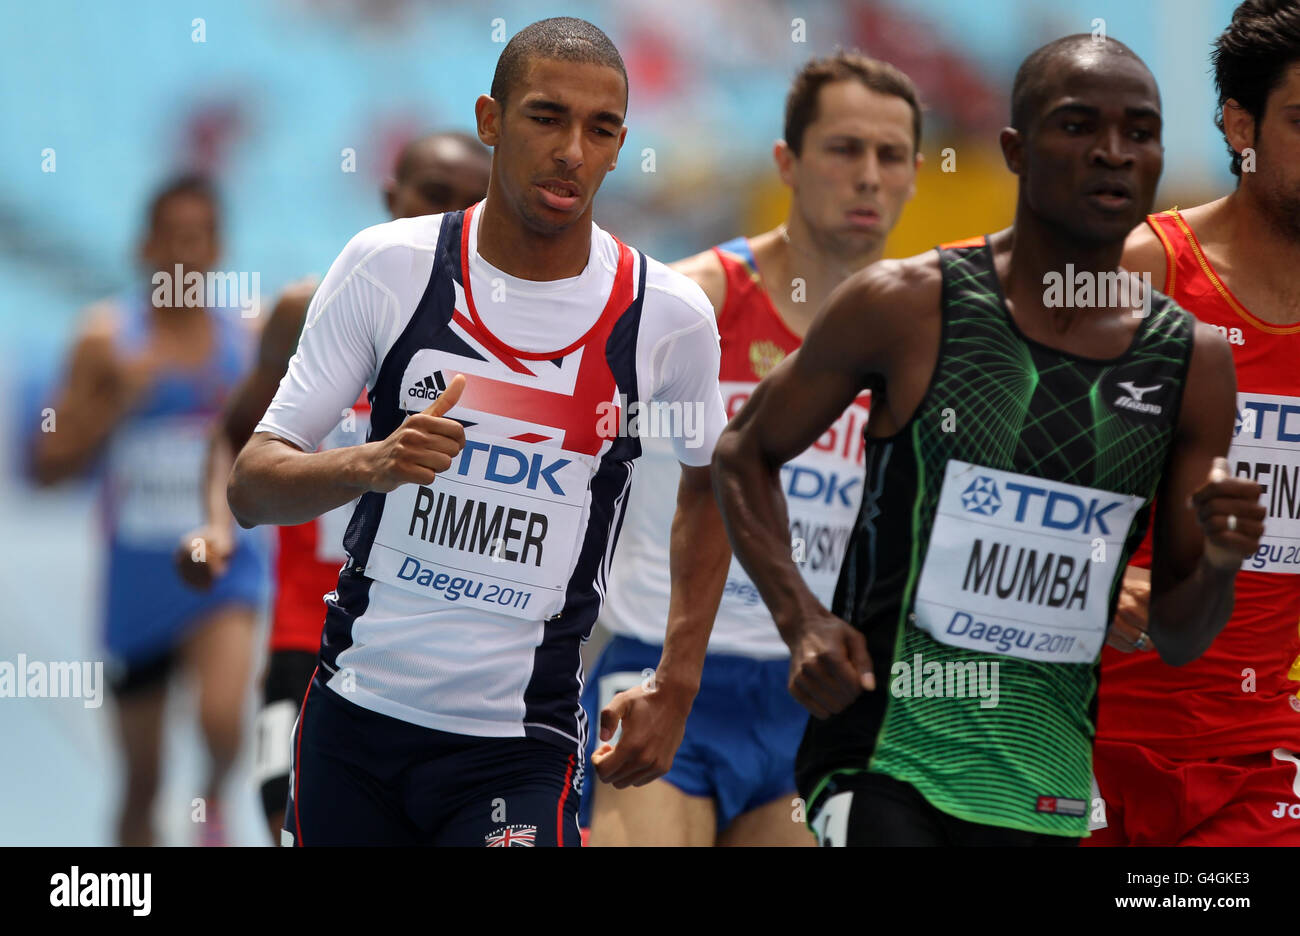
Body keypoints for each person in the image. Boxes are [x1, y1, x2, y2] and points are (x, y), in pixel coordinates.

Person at [711, 34, 1265, 846]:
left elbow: (1178, 638)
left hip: (1045, 788)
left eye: (1139, 133)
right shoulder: (907, 305)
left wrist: (1219, 558)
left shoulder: (1193, 362)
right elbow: (742, 451)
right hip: (886, 758)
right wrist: (802, 619)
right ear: (1015, 148)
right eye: (1078, 127)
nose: (1112, 153)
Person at [226, 17, 731, 847]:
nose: (572, 149)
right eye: (546, 117)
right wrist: (372, 463)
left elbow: (713, 486)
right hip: (356, 720)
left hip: (518, 747)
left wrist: (677, 685)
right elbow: (252, 484)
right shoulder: (388, 266)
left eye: (599, 129)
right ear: (491, 121)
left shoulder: (664, 317)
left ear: (618, 147)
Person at [583, 52, 922, 847]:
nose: (869, 176)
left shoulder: (917, 336)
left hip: (815, 695)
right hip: (663, 677)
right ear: (788, 163)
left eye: (891, 155)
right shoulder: (690, 301)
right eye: (844, 150)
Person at [175, 132, 491, 842]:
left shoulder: (505, 343)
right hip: (305, 643)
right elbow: (234, 433)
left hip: (429, 656)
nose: (448, 218)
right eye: (432, 197)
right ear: (389, 200)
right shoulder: (306, 309)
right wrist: (216, 528)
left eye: (469, 204)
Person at [1091, 0, 1300, 846]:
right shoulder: (1140, 272)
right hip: (1078, 738)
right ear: (1239, 125)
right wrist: (1087, 572)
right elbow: (977, 445)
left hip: (1257, 754)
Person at [31, 175, 267, 846]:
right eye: (172, 238)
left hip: (220, 565)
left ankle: (214, 796)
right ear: (144, 248)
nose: (185, 254)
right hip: (136, 585)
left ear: (220, 247)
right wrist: (113, 404)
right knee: (141, 781)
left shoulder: (245, 341)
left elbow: (274, 447)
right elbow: (47, 464)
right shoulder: (105, 339)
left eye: (200, 237)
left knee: (224, 718)